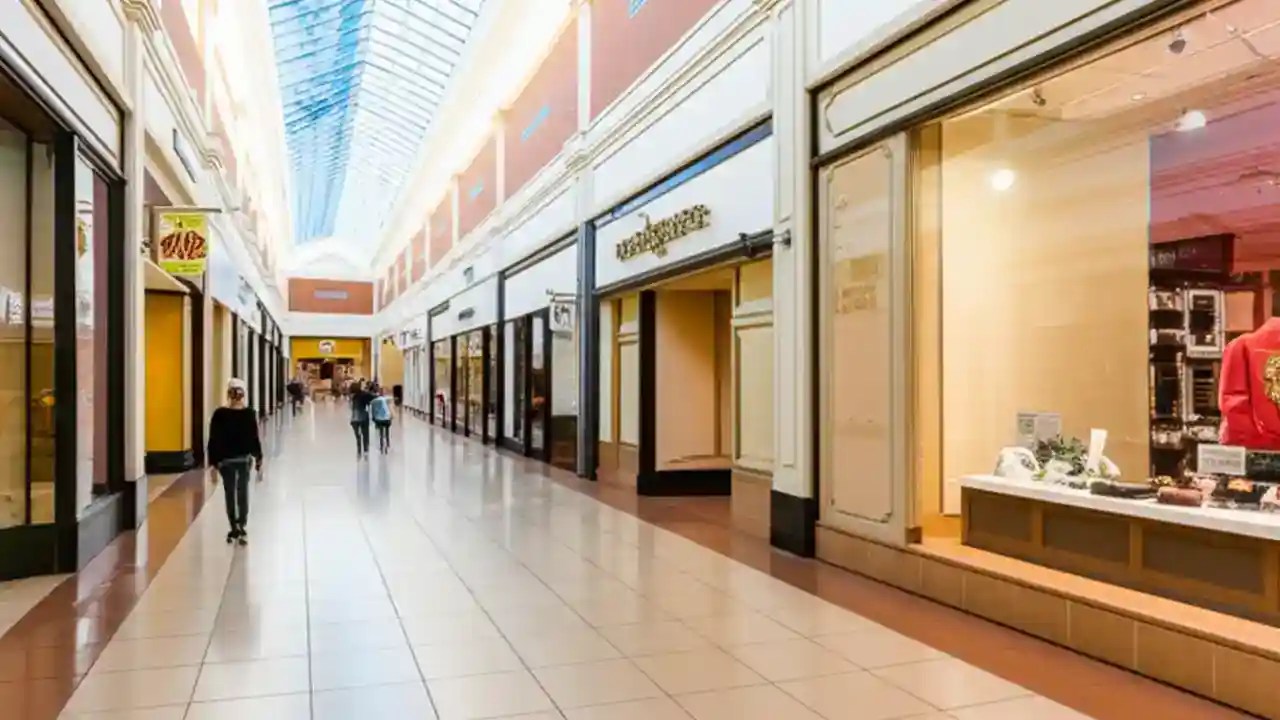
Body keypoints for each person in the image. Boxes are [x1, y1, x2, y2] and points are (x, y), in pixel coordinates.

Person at [207, 379, 262, 545]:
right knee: (242, 492)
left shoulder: (219, 414)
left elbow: (213, 440)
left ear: (228, 394)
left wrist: (213, 464)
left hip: (226, 462)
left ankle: (233, 526)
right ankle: (242, 525)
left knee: (229, 493)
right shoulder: (249, 414)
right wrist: (259, 458)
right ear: (243, 394)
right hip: (244, 460)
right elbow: (254, 439)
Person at [349, 380, 374, 457]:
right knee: (365, 433)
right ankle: (366, 449)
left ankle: (359, 450)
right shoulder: (364, 394)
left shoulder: (351, 397)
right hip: (363, 417)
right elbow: (373, 399)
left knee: (358, 436)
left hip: (354, 419)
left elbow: (351, 407)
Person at [370, 385, 393, 454]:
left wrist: (374, 418)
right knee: (387, 431)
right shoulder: (388, 399)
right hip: (387, 419)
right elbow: (391, 409)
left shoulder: (374, 401)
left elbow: (373, 411)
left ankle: (381, 445)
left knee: (381, 432)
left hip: (379, 419)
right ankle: (388, 443)